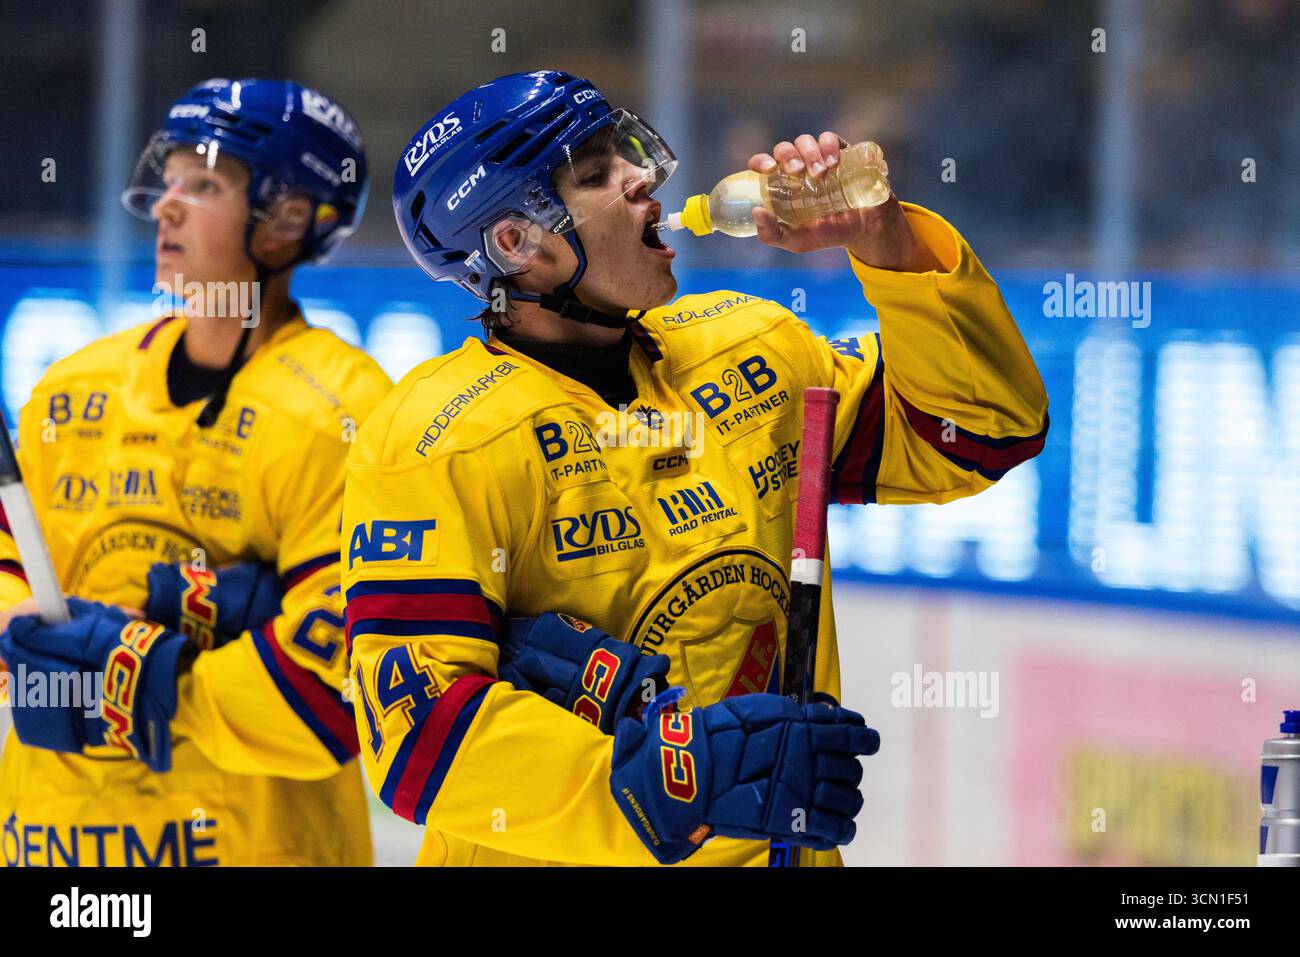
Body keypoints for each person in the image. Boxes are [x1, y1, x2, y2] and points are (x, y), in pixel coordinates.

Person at [342, 70, 1048, 866]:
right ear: (517, 243)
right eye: (596, 173)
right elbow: (418, 740)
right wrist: (664, 782)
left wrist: (886, 244)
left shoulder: (754, 349)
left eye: (625, 154)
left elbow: (983, 432)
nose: (640, 177)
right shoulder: (440, 440)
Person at [0, 78, 391, 866]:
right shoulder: (74, 386)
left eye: (205, 184)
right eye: (169, 180)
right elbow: (9, 559)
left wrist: (143, 678)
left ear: (289, 220)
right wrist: (17, 637)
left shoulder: (345, 410)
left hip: (258, 846)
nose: (167, 206)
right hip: (55, 847)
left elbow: (339, 695)